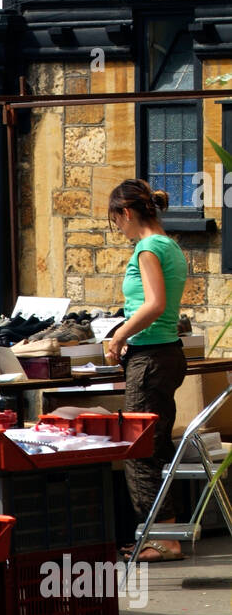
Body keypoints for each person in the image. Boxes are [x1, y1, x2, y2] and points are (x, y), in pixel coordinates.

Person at [106, 179, 188, 561]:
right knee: (156, 446)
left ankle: (162, 538)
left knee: (138, 449)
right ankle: (165, 532)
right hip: (167, 353)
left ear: (126, 213)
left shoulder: (147, 248)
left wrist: (119, 335)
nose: (119, 230)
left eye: (115, 222)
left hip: (150, 356)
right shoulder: (170, 245)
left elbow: (154, 303)